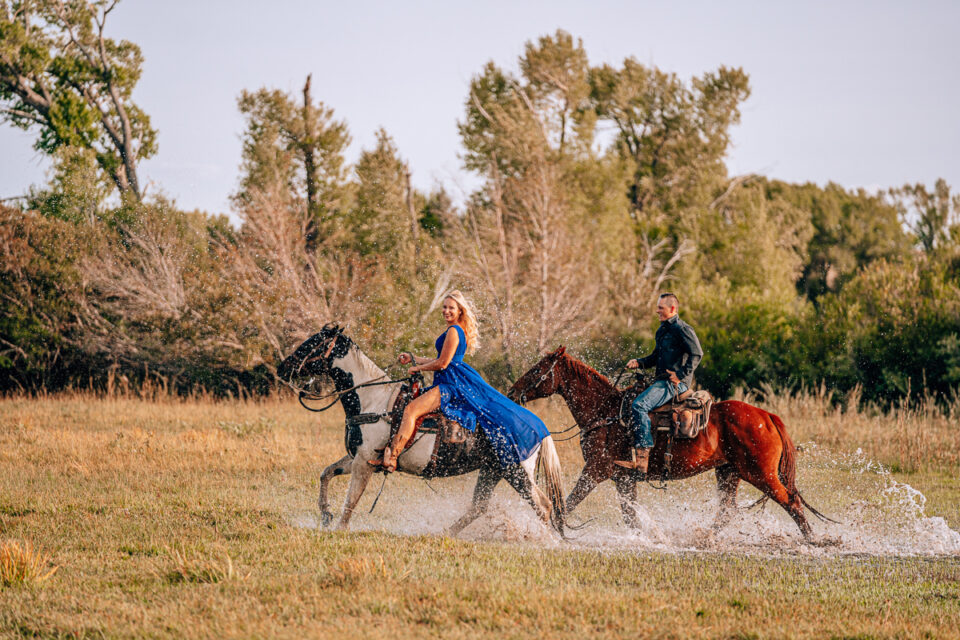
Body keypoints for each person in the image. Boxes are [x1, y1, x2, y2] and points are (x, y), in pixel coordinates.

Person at [369, 290, 549, 472]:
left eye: (451, 308)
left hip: (449, 385)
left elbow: (442, 363)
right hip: (450, 380)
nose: (446, 311)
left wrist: (418, 368)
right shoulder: (454, 330)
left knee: (410, 410)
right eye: (444, 307)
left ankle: (392, 459)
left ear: (460, 311)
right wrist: (414, 358)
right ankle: (391, 451)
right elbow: (442, 359)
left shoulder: (454, 331)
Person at [614, 292, 703, 474]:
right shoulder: (662, 330)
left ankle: (642, 458)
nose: (657, 311)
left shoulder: (682, 329)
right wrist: (639, 362)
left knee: (639, 405)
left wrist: (680, 375)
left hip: (674, 384)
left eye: (661, 308)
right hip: (661, 381)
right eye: (658, 307)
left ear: (672, 308)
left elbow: (697, 354)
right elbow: (655, 357)